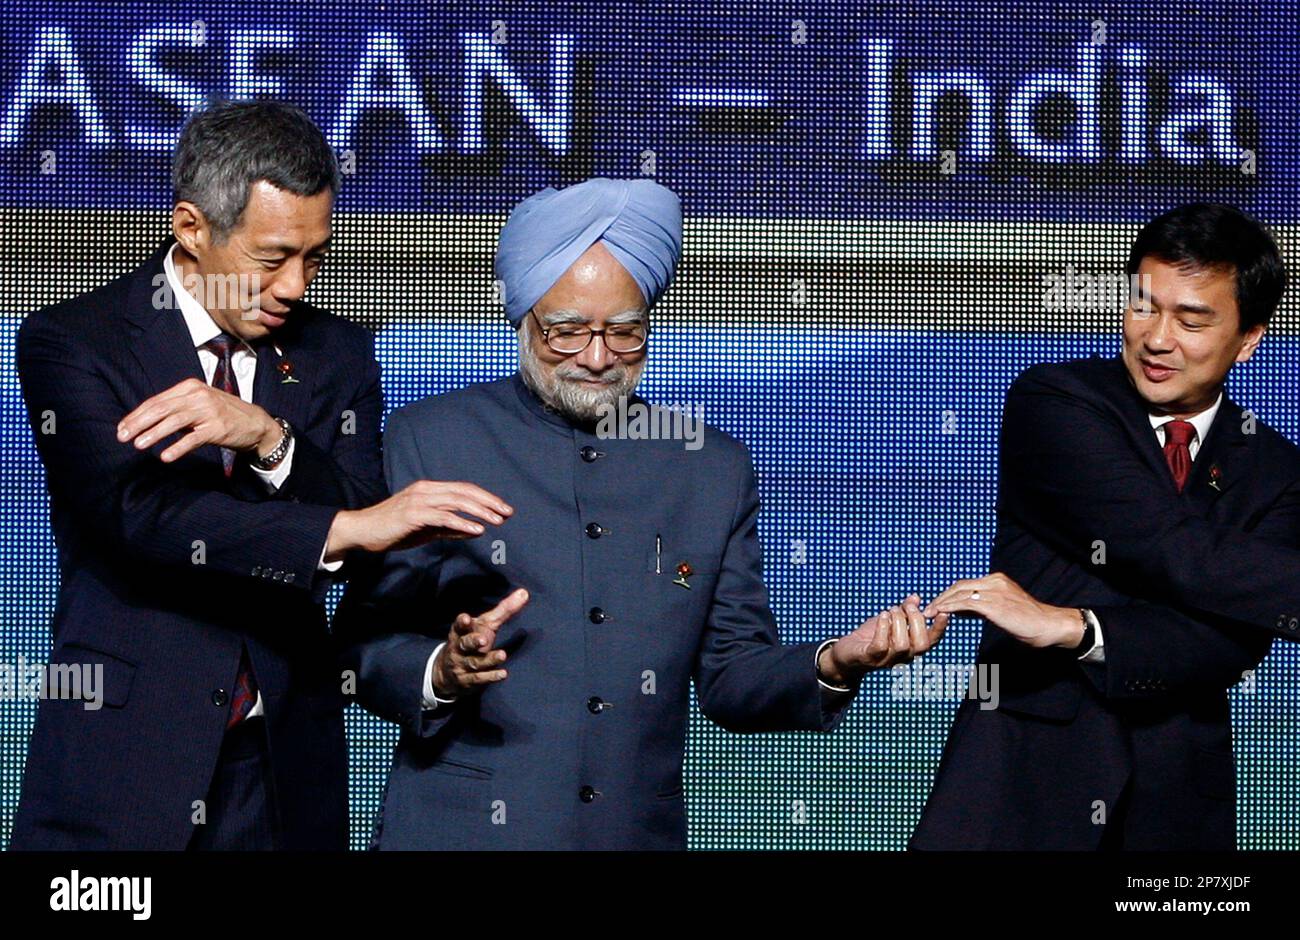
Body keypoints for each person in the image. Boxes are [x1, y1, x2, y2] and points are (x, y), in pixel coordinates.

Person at [334, 177, 948, 850]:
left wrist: (836, 662)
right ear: (523, 317)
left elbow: (731, 676)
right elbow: (358, 649)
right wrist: (439, 674)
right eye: (567, 332)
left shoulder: (711, 467)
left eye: (624, 332)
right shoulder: (431, 439)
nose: (597, 358)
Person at [12, 100, 508, 850]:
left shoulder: (335, 353)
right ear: (191, 229)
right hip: (123, 763)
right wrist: (344, 527)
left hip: (284, 768)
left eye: (315, 257)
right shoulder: (75, 341)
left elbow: (361, 513)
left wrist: (270, 438)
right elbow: (139, 518)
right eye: (271, 258)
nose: (294, 287)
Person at [913, 203, 1299, 850]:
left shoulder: (1278, 472)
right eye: (1144, 305)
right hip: (1016, 793)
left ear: (1249, 338)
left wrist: (1074, 627)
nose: (1156, 338)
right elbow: (1168, 548)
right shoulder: (1056, 403)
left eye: (1192, 319)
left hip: (1178, 813)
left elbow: (1232, 643)